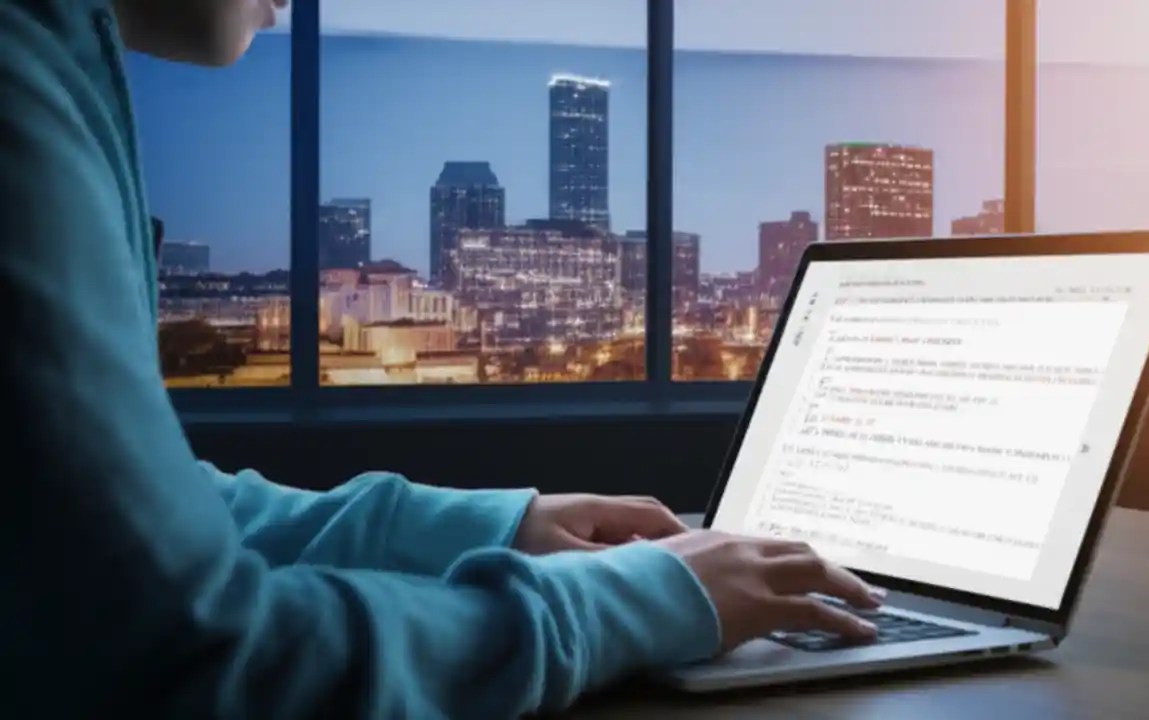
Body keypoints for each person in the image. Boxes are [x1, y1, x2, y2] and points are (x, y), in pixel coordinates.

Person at [0, 0, 882, 716]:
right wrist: (628, 602)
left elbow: (168, 522)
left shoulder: (56, 55)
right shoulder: (20, 71)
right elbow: (184, 652)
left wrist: (497, 526)